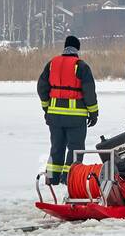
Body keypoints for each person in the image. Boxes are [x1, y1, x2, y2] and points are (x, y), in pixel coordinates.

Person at [36, 35, 98, 185]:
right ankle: (69, 179)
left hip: (55, 117)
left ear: (65, 47)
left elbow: (41, 87)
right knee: (76, 149)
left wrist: (47, 108)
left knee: (57, 147)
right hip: (76, 118)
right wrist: (93, 113)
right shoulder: (81, 66)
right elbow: (89, 92)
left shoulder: (52, 64)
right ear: (77, 49)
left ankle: (52, 177)